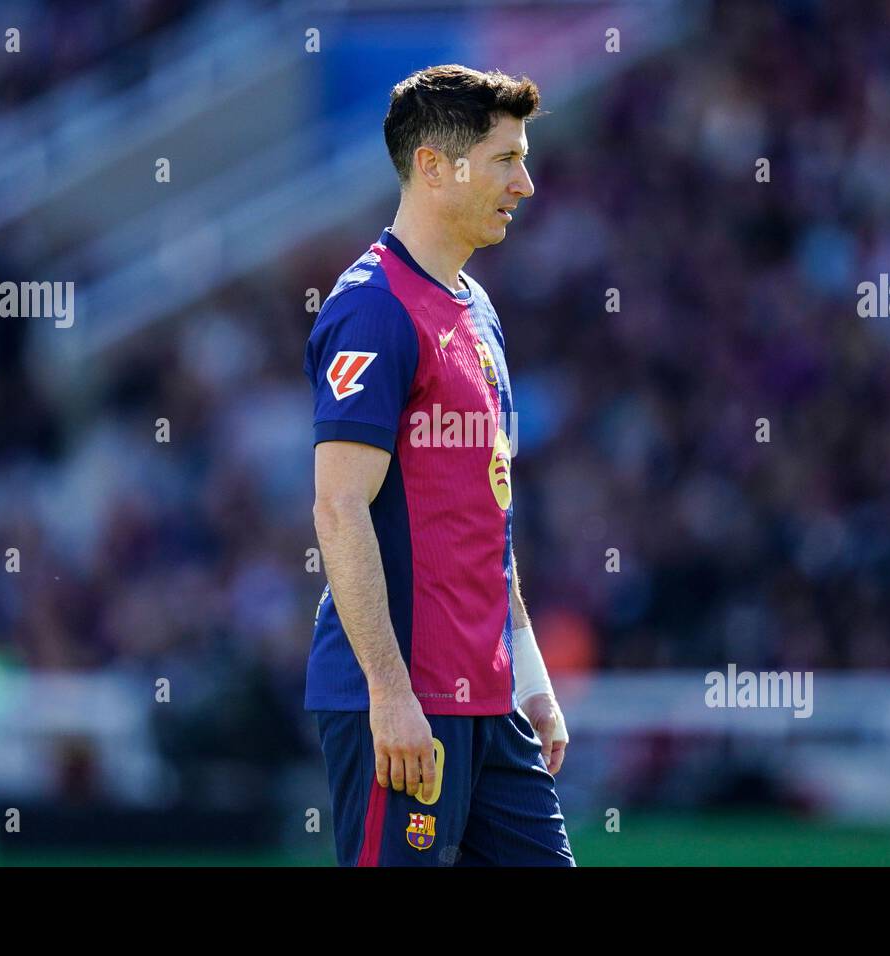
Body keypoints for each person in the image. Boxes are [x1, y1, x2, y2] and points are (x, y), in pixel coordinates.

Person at [303, 64, 574, 866]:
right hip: (405, 701)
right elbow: (339, 509)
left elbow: (488, 515)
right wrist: (390, 693)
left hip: (492, 704)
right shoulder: (371, 308)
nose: (525, 183)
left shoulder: (478, 310)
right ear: (433, 165)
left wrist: (527, 670)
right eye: (505, 159)